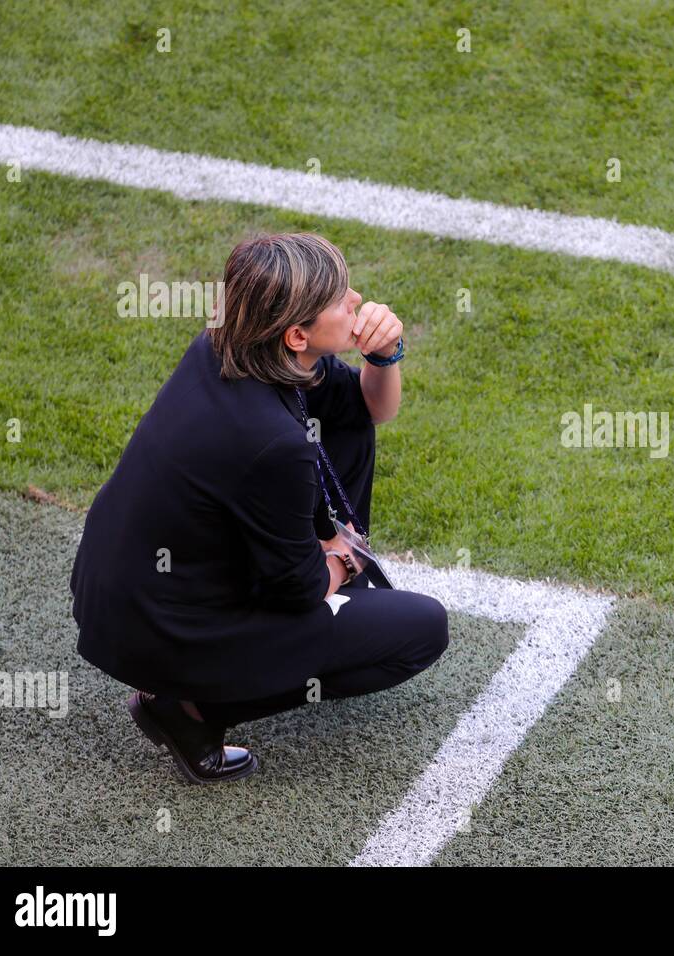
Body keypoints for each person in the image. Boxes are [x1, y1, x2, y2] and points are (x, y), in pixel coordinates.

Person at [70, 233, 449, 784]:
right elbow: (296, 590)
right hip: (160, 626)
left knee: (346, 428)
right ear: (298, 334)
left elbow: (369, 408)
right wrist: (349, 556)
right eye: (339, 296)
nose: (356, 300)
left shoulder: (232, 346)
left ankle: (314, 594)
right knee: (421, 628)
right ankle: (187, 708)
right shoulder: (274, 445)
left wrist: (384, 356)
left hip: (128, 585)